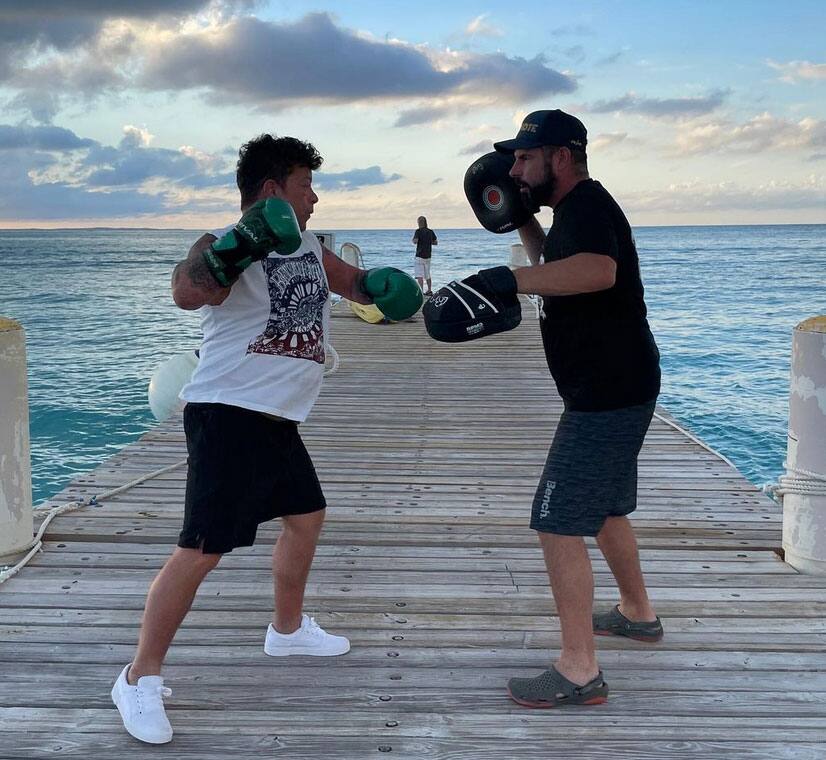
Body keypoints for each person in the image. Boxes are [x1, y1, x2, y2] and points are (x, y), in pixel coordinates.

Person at [111, 134, 422, 744]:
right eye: (306, 184)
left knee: (306, 517)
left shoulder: (309, 245)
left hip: (279, 417)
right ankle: (137, 677)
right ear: (273, 189)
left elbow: (354, 284)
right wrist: (242, 243)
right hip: (228, 413)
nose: (315, 197)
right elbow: (187, 289)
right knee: (202, 548)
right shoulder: (221, 245)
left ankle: (286, 631)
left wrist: (386, 288)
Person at [442, 110, 663, 707]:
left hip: (606, 396)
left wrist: (508, 280)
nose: (513, 168)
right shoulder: (572, 213)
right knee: (608, 508)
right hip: (616, 386)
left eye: (523, 157)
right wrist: (525, 227)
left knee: (558, 519)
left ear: (559, 157)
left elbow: (597, 272)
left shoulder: (589, 206)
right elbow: (559, 268)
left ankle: (578, 670)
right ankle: (637, 613)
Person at [412, 215, 437, 295]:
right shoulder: (430, 231)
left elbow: (415, 241)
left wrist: (414, 240)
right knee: (427, 274)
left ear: (419, 223)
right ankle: (429, 290)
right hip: (428, 256)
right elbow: (435, 242)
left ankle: (421, 291)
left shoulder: (418, 231)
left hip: (419, 255)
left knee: (420, 275)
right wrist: (428, 241)